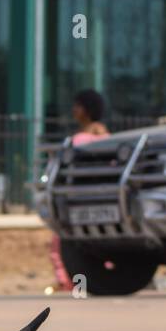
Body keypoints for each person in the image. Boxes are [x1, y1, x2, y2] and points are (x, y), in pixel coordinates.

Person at [49, 89, 110, 292]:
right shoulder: (104, 135)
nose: (74, 109)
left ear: (87, 109)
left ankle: (68, 282)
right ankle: (84, 281)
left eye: (78, 105)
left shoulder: (82, 139)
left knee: (63, 242)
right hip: (93, 197)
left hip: (79, 197)